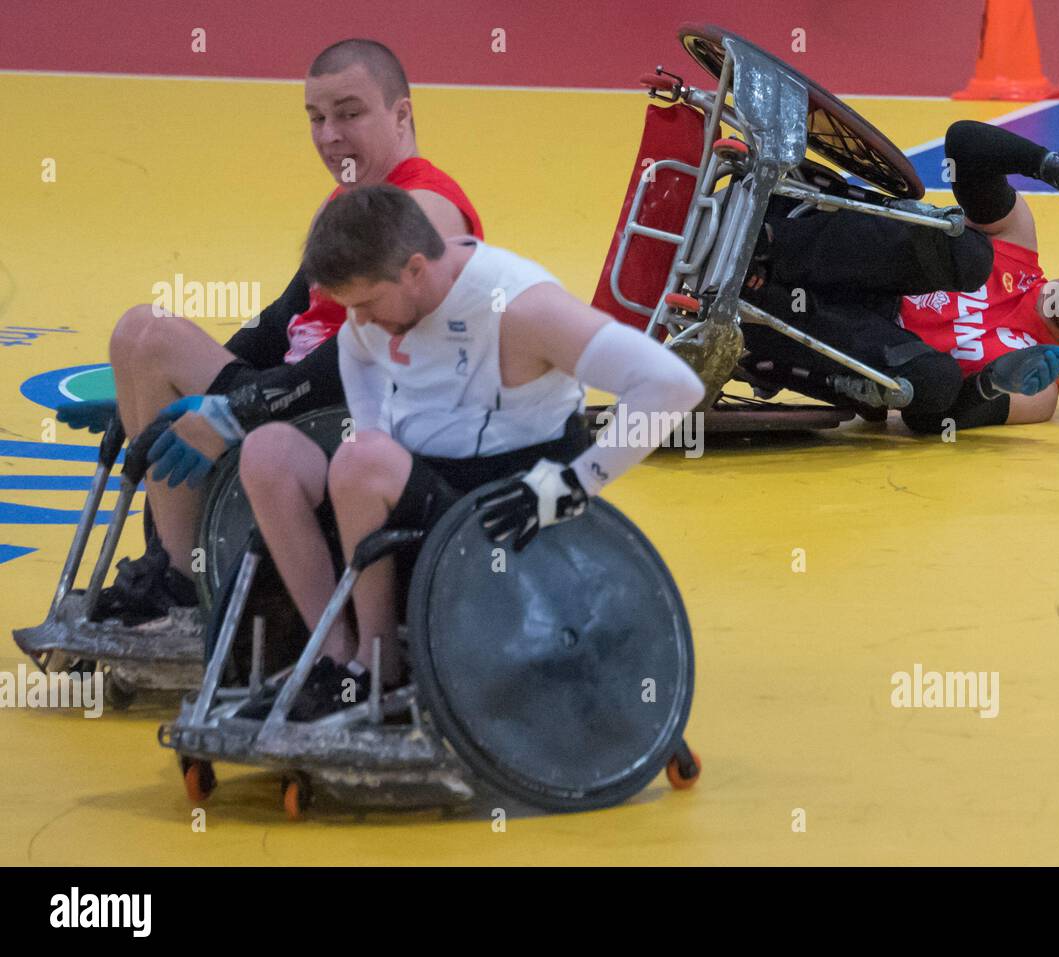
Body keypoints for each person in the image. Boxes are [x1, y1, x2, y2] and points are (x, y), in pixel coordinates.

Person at [236, 185, 704, 719]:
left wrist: (574, 486)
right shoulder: (380, 304)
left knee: (362, 461)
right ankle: (333, 660)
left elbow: (672, 385)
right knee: (267, 452)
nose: (359, 322)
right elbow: (356, 353)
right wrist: (372, 428)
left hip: (504, 513)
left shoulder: (522, 307)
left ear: (415, 269)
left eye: (366, 304)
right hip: (417, 495)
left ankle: (378, 667)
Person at [57, 39, 481, 625]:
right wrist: (151, 400)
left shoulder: (426, 208)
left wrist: (242, 404)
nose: (329, 135)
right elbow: (280, 320)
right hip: (306, 396)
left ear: (401, 114)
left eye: (349, 113)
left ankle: (184, 589)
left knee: (150, 339)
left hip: (358, 415)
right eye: (316, 118)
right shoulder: (349, 202)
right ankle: (177, 569)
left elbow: (365, 355)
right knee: (138, 339)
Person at [738, 120, 1059, 433]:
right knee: (970, 255)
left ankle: (759, 316)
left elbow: (928, 420)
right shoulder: (1017, 241)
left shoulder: (1037, 391)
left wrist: (992, 382)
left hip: (843, 338)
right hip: (837, 255)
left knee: (936, 383)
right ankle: (772, 242)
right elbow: (964, 142)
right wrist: (1056, 170)